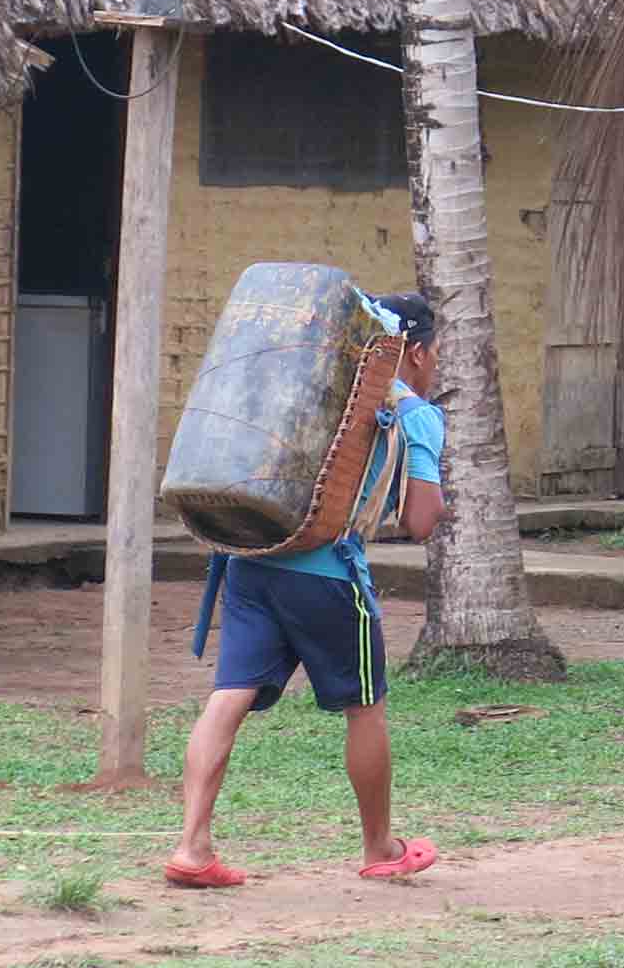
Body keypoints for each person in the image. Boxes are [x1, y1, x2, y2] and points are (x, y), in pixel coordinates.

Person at [163, 292, 449, 888]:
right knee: (364, 706)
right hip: (328, 578)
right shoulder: (412, 410)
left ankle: (192, 847)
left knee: (229, 696)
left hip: (250, 559)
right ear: (416, 351)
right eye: (437, 353)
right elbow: (420, 521)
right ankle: (379, 846)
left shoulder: (313, 385)